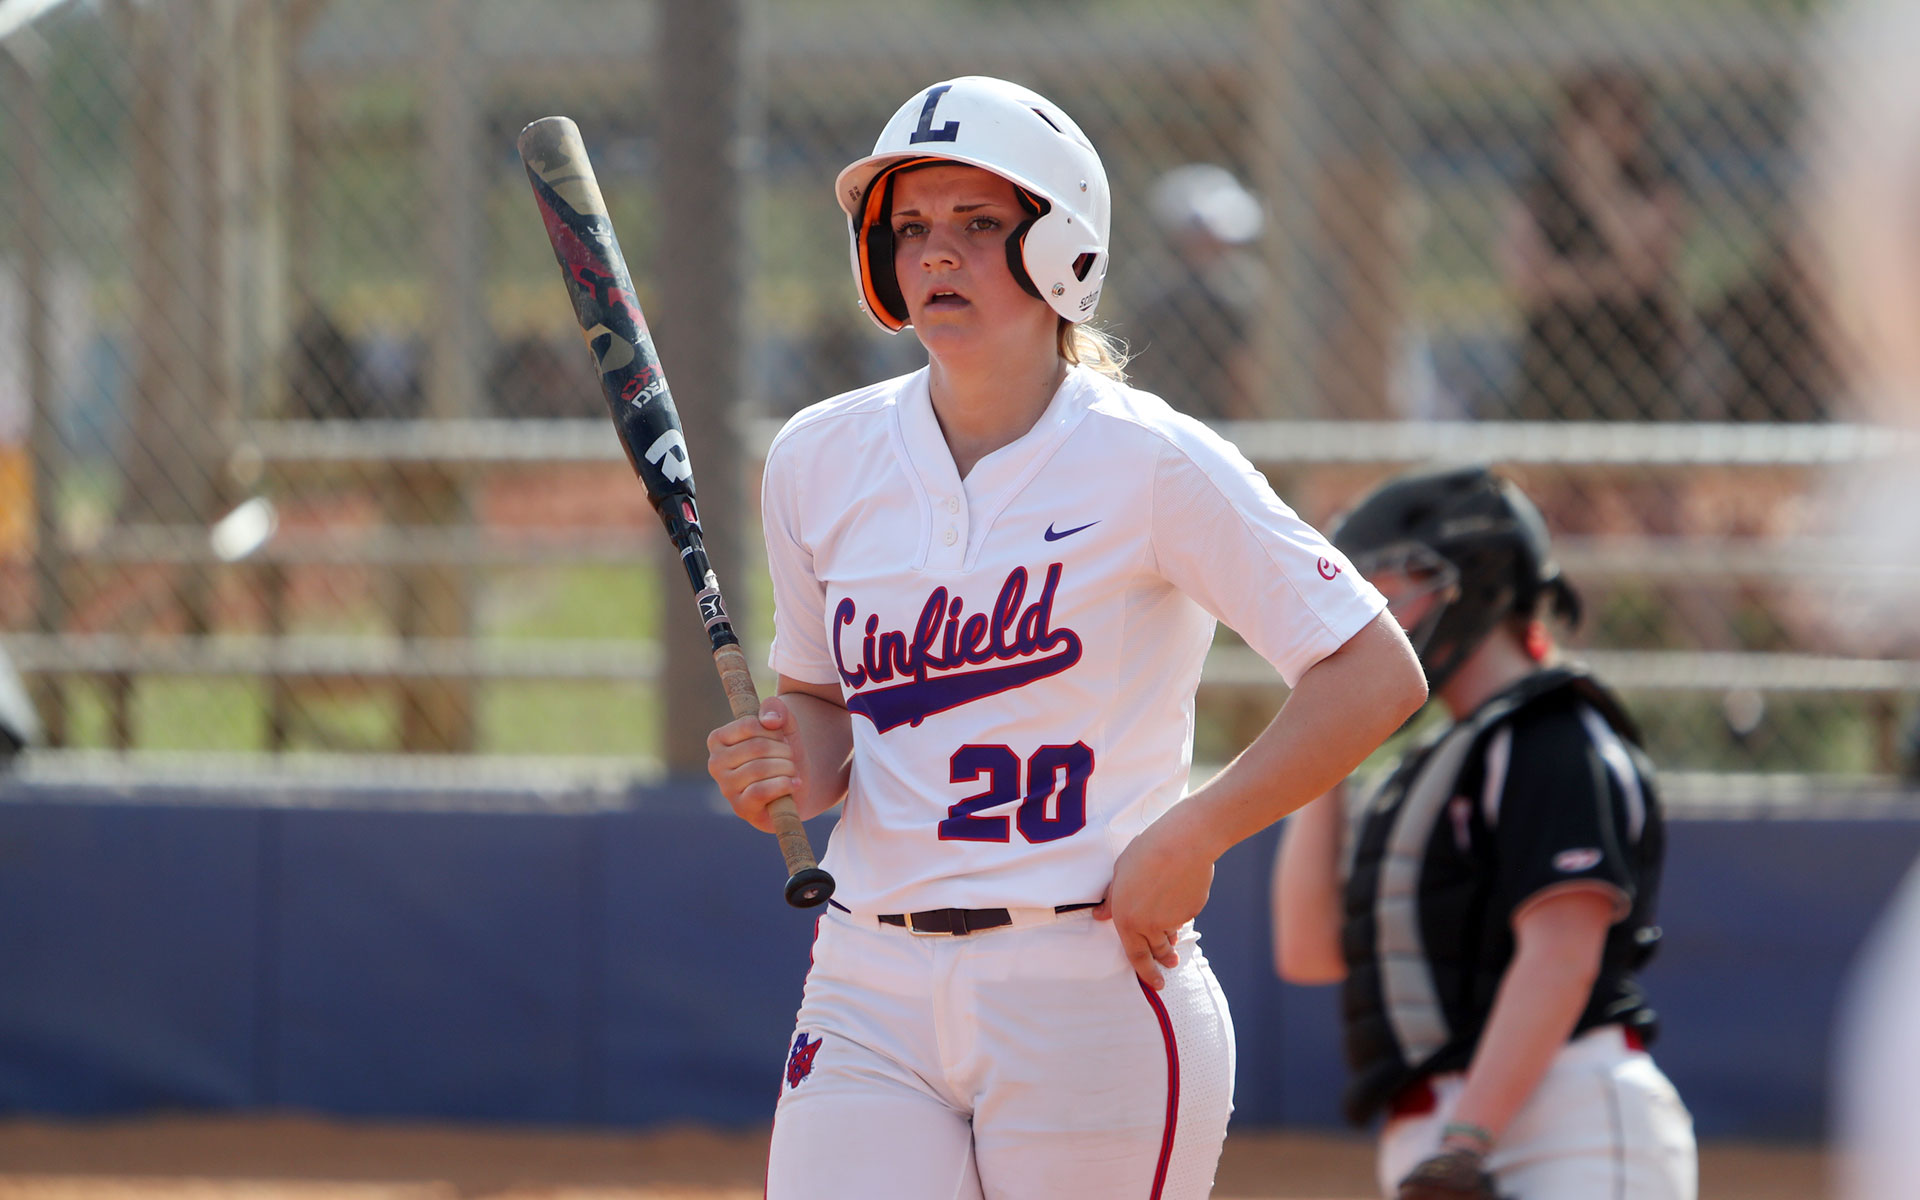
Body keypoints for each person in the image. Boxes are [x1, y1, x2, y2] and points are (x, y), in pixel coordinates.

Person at [706, 75, 1428, 1200]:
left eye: (978, 223)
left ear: (1064, 249)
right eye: (911, 228)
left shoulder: (1151, 461)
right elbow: (824, 707)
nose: (937, 254)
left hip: (1087, 976)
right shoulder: (818, 456)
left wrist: (1195, 833)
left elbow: (1374, 670)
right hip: (866, 980)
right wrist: (779, 765)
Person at [1271, 465, 1697, 1200]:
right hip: (1448, 1131)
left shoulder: (1551, 731)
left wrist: (1465, 1143)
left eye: (1391, 584)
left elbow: (1561, 951)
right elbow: (1308, 951)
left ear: (1472, 580)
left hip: (1559, 1122)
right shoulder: (1431, 764)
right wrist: (1328, 735)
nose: (1367, 612)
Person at [1499, 68, 1687, 421]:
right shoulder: (1542, 187)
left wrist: (1598, 185)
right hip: (1556, 358)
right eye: (1605, 120)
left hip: (1637, 357)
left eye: (1632, 117)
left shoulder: (1655, 179)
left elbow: (1643, 272)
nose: (1623, 133)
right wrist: (1609, 279)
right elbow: (1525, 279)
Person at [1125, 163, 1266, 421]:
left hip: (1217, 419)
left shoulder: (1235, 292)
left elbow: (1241, 377)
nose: (1219, 251)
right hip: (1158, 414)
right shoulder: (1154, 293)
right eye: (1205, 242)